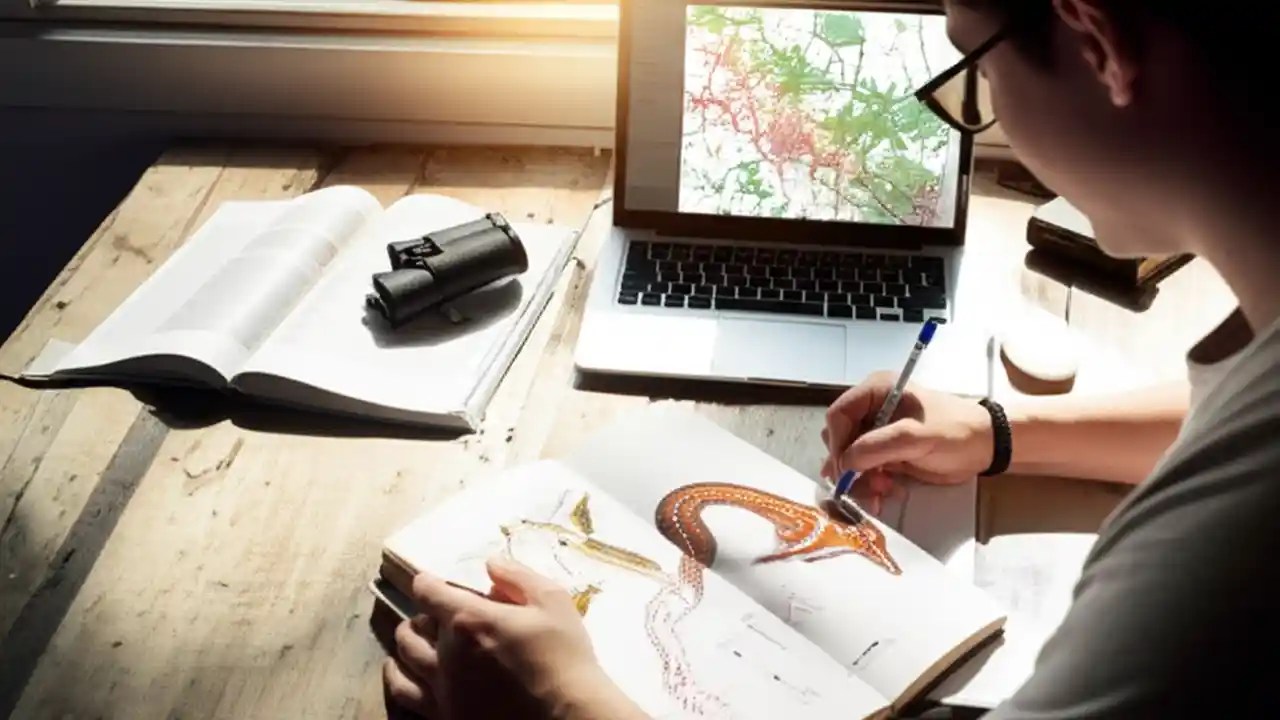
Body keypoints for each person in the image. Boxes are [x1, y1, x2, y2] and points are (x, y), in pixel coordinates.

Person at [383, 0, 1280, 717]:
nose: (980, 108)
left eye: (978, 73)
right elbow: (1230, 416)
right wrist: (1000, 429)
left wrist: (558, 701)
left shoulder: (1221, 556)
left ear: (1095, 35)